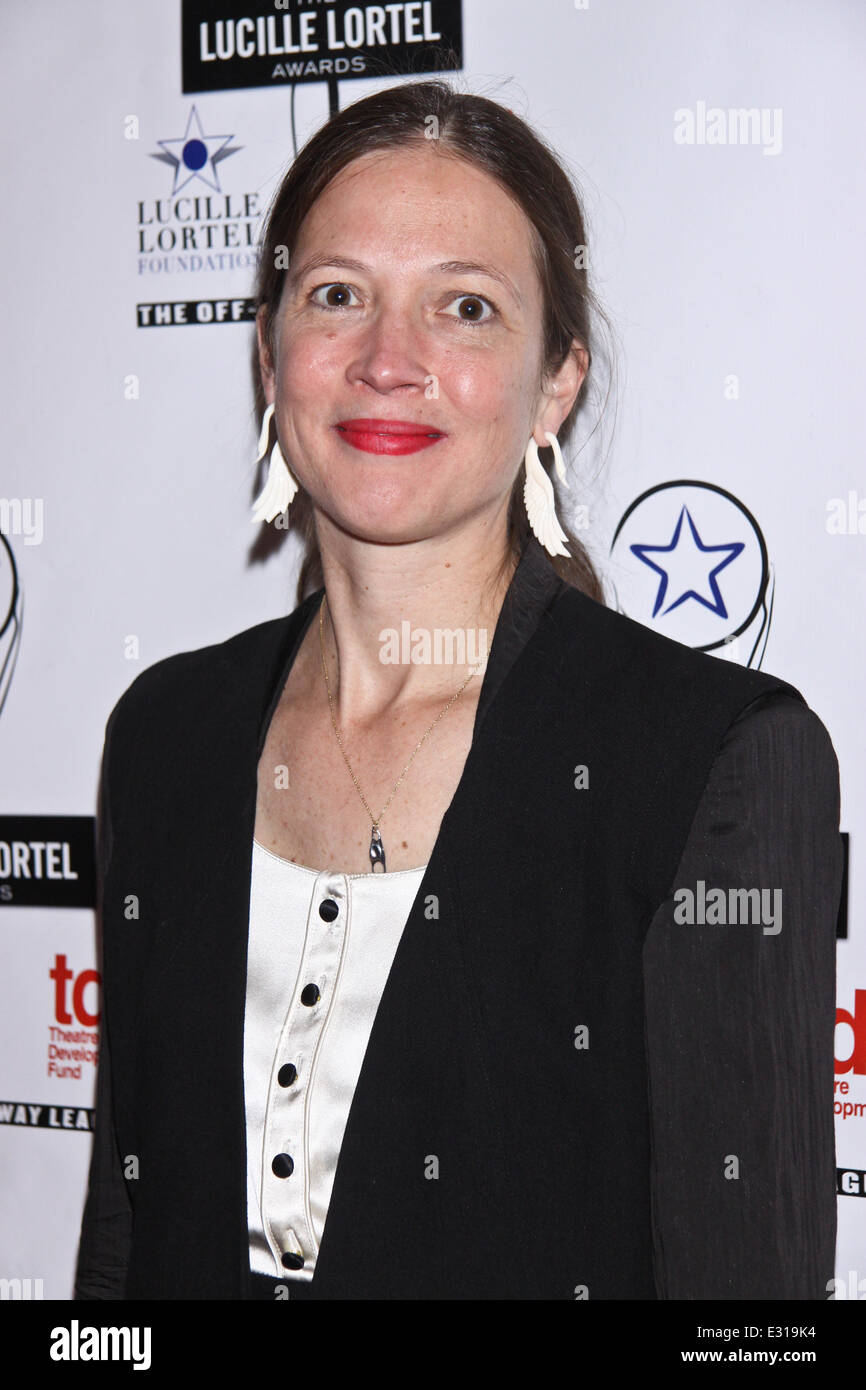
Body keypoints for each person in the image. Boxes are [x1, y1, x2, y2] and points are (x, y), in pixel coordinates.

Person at [74, 80, 842, 1301]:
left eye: (464, 308)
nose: (388, 360)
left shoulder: (712, 761)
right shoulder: (166, 736)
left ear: (554, 384)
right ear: (271, 356)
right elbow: (122, 1245)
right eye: (336, 296)